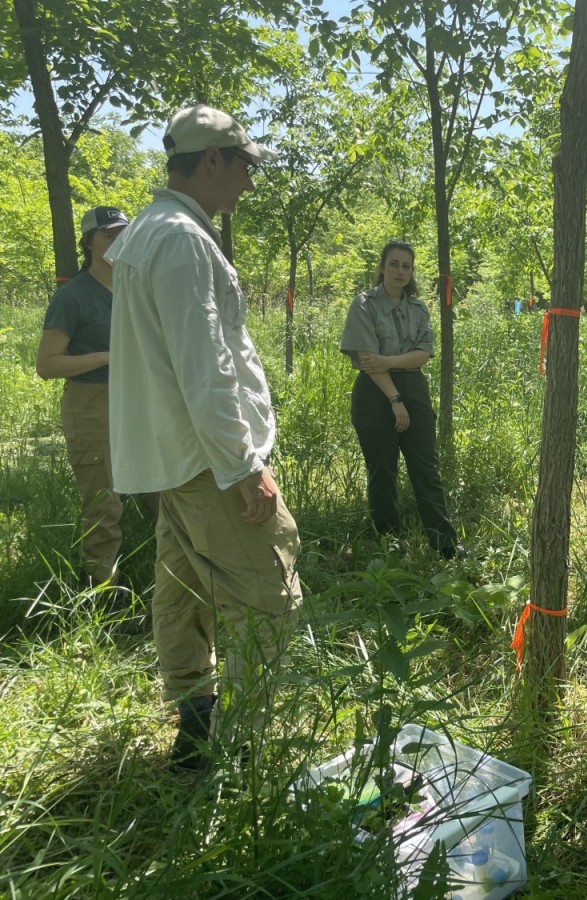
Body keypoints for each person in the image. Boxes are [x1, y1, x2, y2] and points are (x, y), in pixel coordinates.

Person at [107, 105, 302, 772]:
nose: (249, 183)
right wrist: (244, 466)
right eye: (245, 166)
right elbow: (206, 365)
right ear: (213, 160)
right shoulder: (184, 241)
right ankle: (247, 761)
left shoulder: (147, 232)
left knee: (183, 596)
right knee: (266, 600)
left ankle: (194, 736)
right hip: (207, 461)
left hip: (170, 457)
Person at [340, 240, 460, 558]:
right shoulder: (363, 304)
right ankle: (390, 546)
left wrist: (389, 361)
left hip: (414, 390)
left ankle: (445, 545)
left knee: (426, 469)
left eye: (406, 266)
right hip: (374, 394)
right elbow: (368, 360)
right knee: (382, 472)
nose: (400, 271)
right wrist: (395, 399)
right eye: (393, 264)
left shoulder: (418, 309)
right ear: (382, 267)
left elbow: (422, 355)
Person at [35, 207, 130, 587]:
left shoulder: (137, 287)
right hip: (91, 404)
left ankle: (170, 583)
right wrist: (111, 356)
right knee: (103, 503)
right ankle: (104, 593)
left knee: (162, 491)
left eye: (124, 233)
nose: (118, 241)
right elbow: (48, 364)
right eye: (108, 235)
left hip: (137, 401)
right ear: (89, 242)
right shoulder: (73, 296)